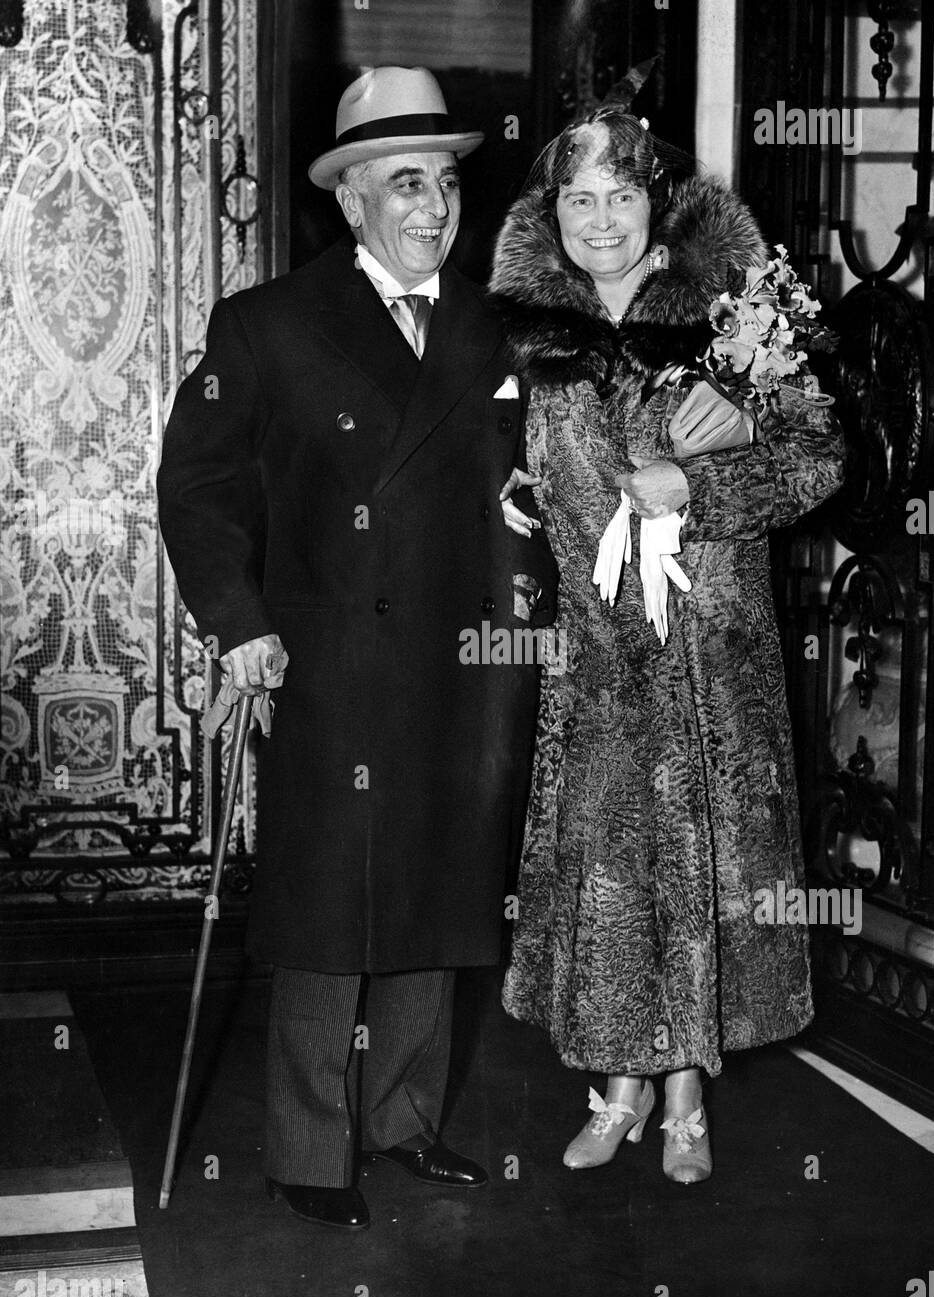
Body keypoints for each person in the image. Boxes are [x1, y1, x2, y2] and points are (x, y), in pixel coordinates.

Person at [157, 67, 555, 1229]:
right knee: (330, 905)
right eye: (403, 183)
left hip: (468, 663)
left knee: (441, 887)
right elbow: (198, 488)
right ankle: (307, 1146)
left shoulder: (497, 325)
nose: (432, 206)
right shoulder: (269, 324)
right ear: (350, 199)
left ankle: (401, 1120)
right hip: (327, 663)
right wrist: (240, 623)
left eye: (443, 182)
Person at [489, 102, 845, 1183]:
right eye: (580, 198)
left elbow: (819, 457)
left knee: (700, 872)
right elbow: (542, 457)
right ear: (553, 213)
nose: (602, 219)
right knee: (609, 876)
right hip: (598, 665)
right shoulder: (533, 328)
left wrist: (697, 479)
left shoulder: (738, 317)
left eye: (624, 195)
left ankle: (683, 1096)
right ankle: (619, 1083)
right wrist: (525, 482)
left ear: (662, 201)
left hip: (709, 653)